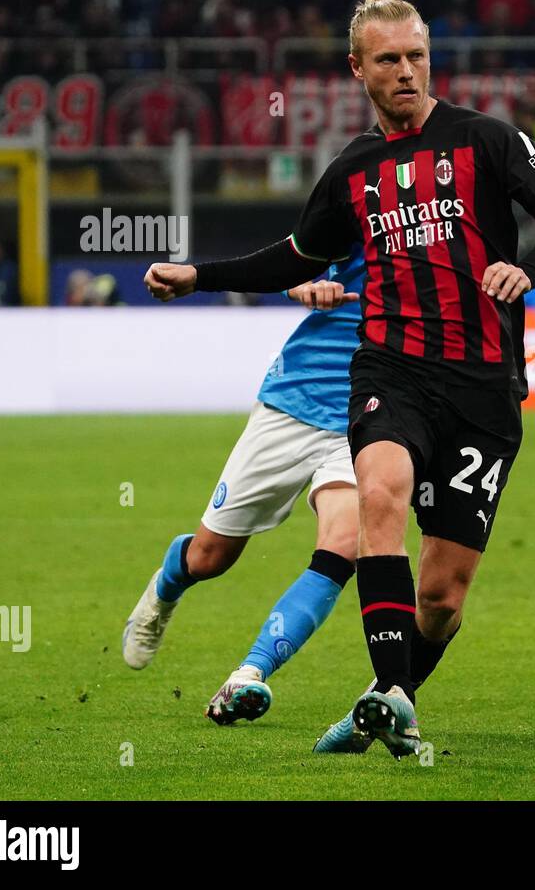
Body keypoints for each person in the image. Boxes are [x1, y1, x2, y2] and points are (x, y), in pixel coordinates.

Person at [141, 0, 535, 759]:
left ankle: (390, 697)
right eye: (389, 59)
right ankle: (391, 696)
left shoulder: (485, 139)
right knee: (378, 493)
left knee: (443, 598)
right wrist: (199, 275)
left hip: (484, 387)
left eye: (417, 55)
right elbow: (294, 256)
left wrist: (527, 268)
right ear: (358, 69)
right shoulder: (352, 170)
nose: (407, 71)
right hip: (391, 370)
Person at [122, 270, 364, 727]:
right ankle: (167, 583)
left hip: (372, 412)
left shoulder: (443, 231)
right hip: (297, 401)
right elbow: (292, 255)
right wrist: (299, 283)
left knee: (343, 548)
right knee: (210, 558)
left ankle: (249, 673)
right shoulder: (361, 205)